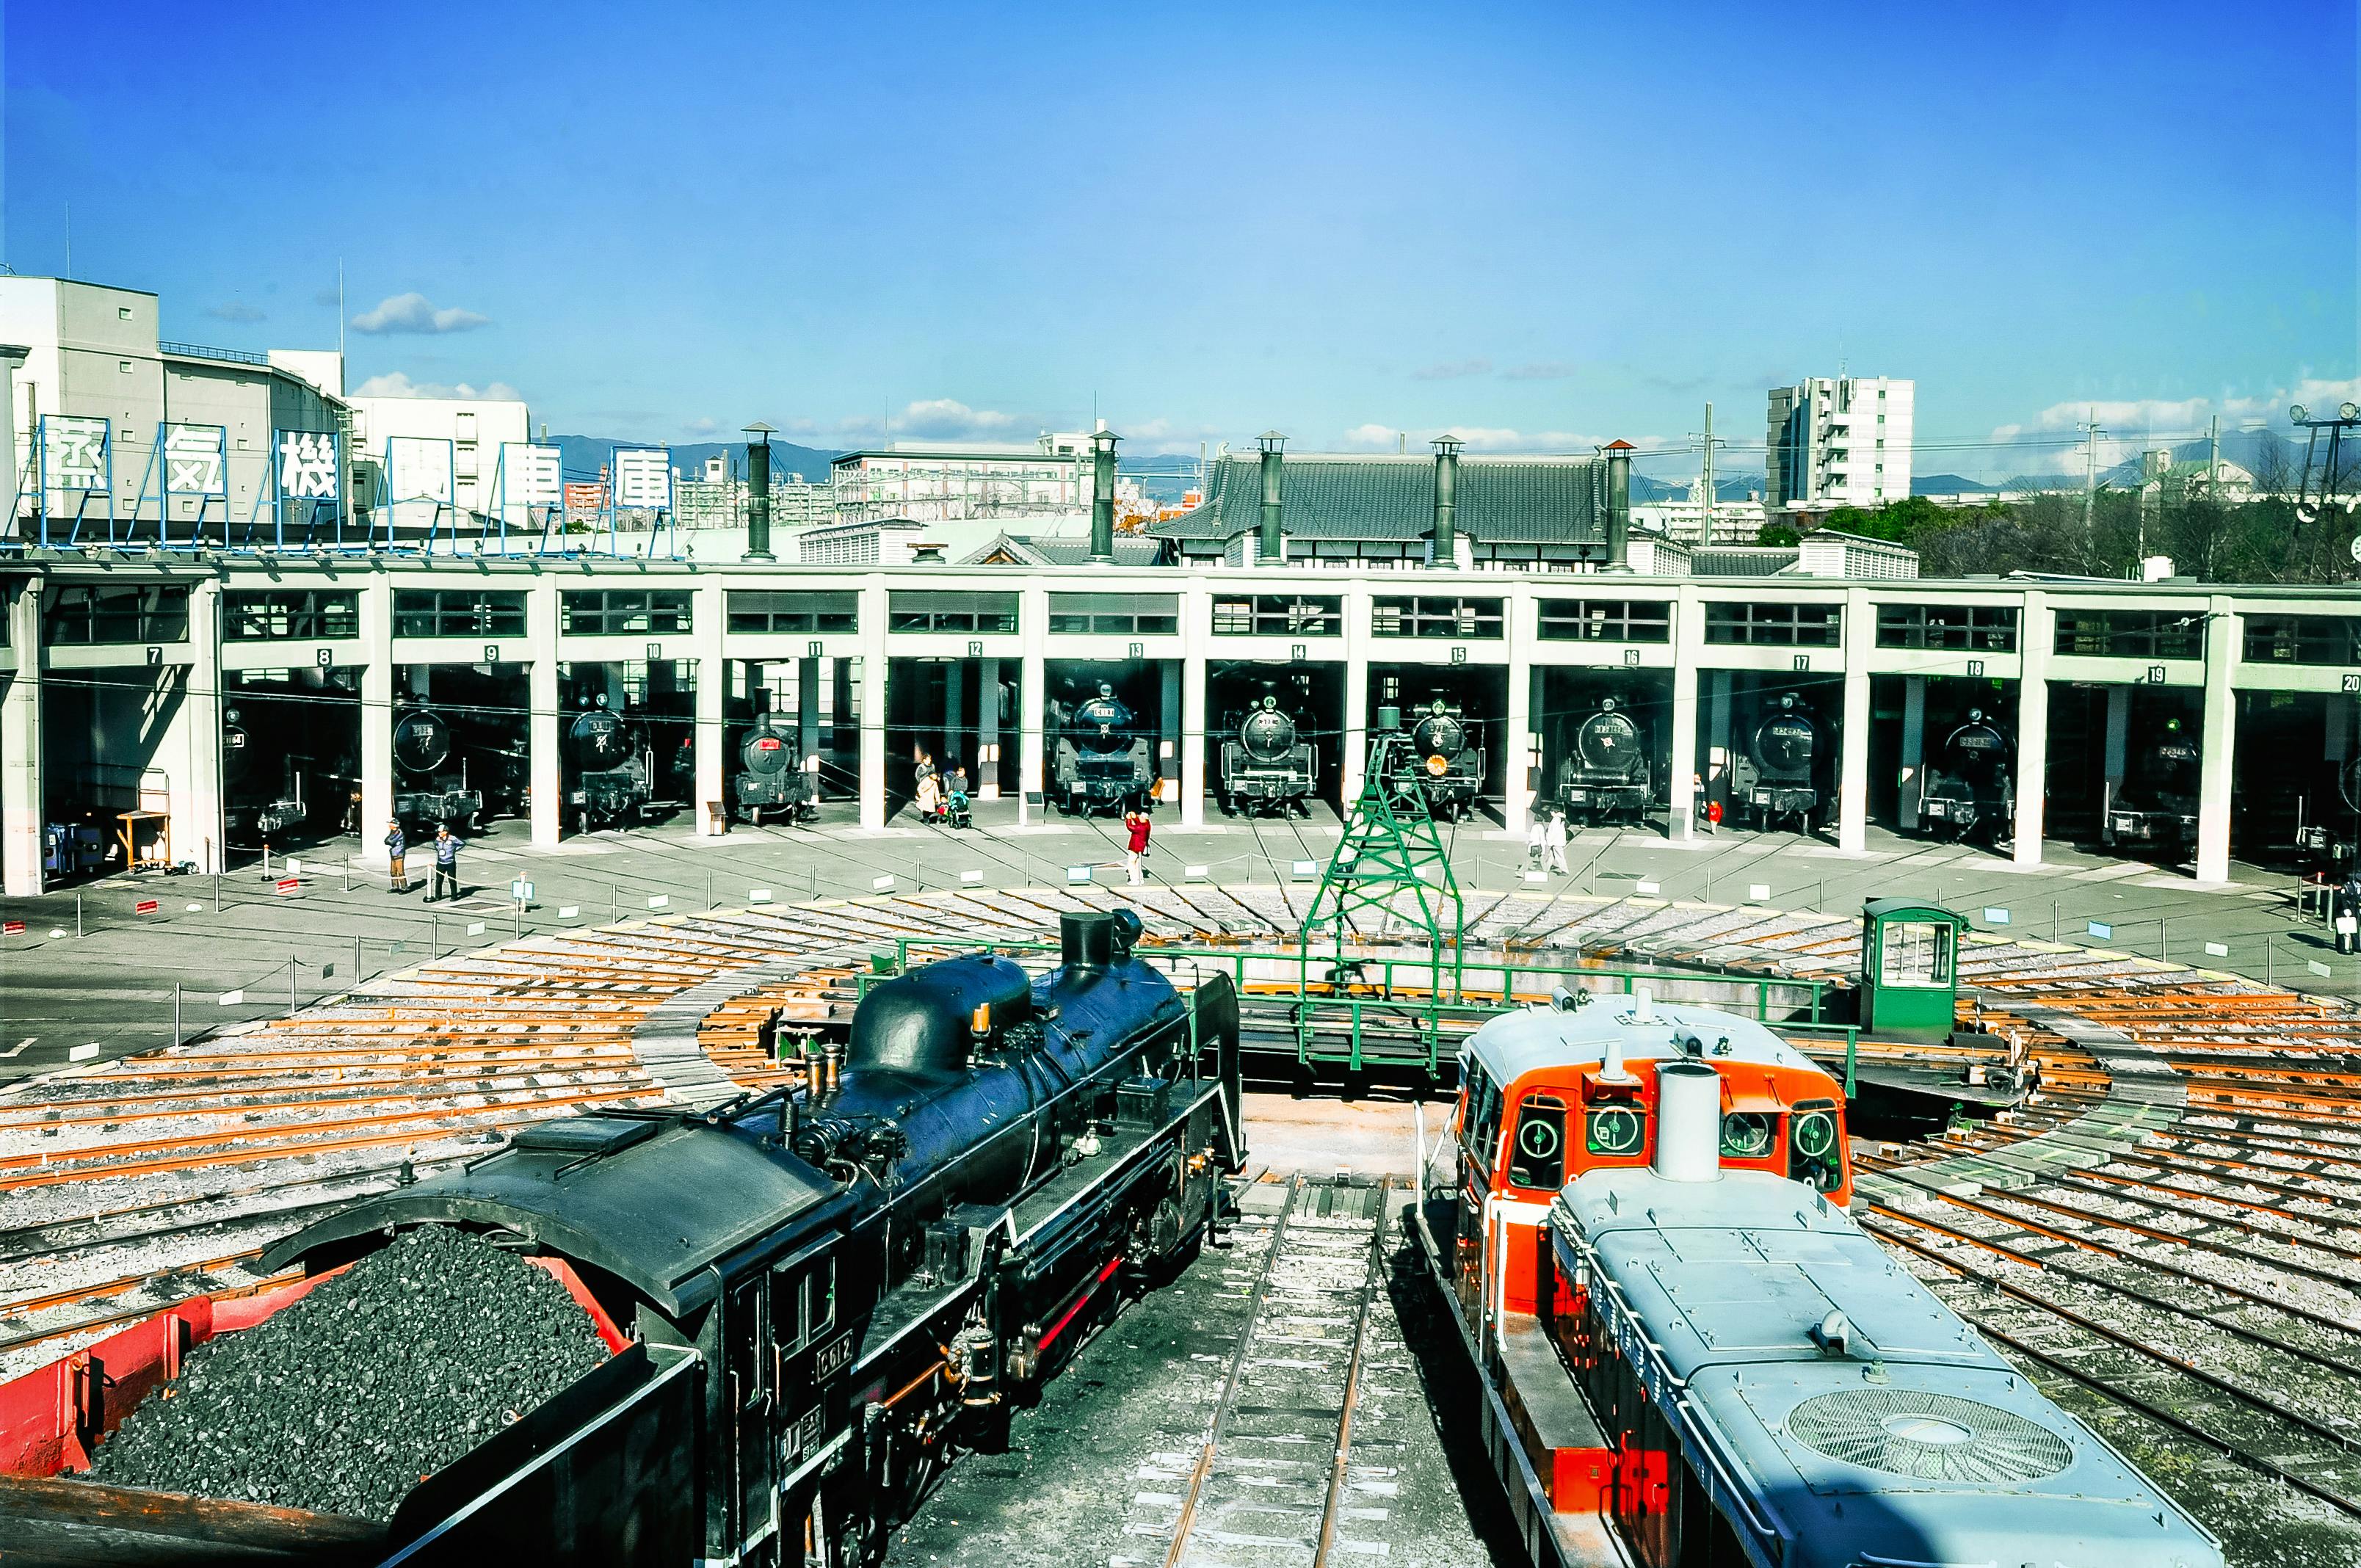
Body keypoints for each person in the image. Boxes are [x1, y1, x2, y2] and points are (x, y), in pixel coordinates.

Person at [428, 824, 464, 902]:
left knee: (452, 880)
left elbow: (462, 844)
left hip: (450, 862)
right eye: (439, 832)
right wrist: (438, 849)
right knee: (439, 880)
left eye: (441, 832)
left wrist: (454, 850)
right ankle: (438, 896)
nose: (439, 833)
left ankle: (454, 896)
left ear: (446, 832)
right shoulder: (438, 839)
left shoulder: (452, 838)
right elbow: (435, 844)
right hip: (440, 862)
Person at [1124, 806, 1151, 886]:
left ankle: (1134, 880)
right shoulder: (1147, 824)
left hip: (1135, 847)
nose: (1140, 818)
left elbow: (1131, 827)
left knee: (1131, 863)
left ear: (1144, 818)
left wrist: (1128, 819)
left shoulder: (1141, 827)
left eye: (1141, 817)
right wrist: (1134, 817)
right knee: (1138, 863)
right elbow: (1139, 823)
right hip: (1141, 847)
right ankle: (1140, 878)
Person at [384, 820, 408, 894]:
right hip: (393, 854)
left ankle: (404, 888)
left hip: (399, 854)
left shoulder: (399, 833)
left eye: (391, 824)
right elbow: (386, 841)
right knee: (393, 871)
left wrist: (389, 841)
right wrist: (389, 841)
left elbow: (391, 841)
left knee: (400, 871)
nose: (389, 825)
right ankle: (395, 886)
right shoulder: (392, 832)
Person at [1545, 807, 1570, 875]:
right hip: (1559, 841)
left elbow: (1554, 832)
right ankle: (1546, 869)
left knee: (1560, 856)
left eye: (1551, 812)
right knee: (1551, 856)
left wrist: (1550, 842)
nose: (1550, 813)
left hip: (1556, 842)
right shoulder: (1561, 819)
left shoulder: (1556, 819)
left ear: (1554, 812)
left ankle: (1565, 871)